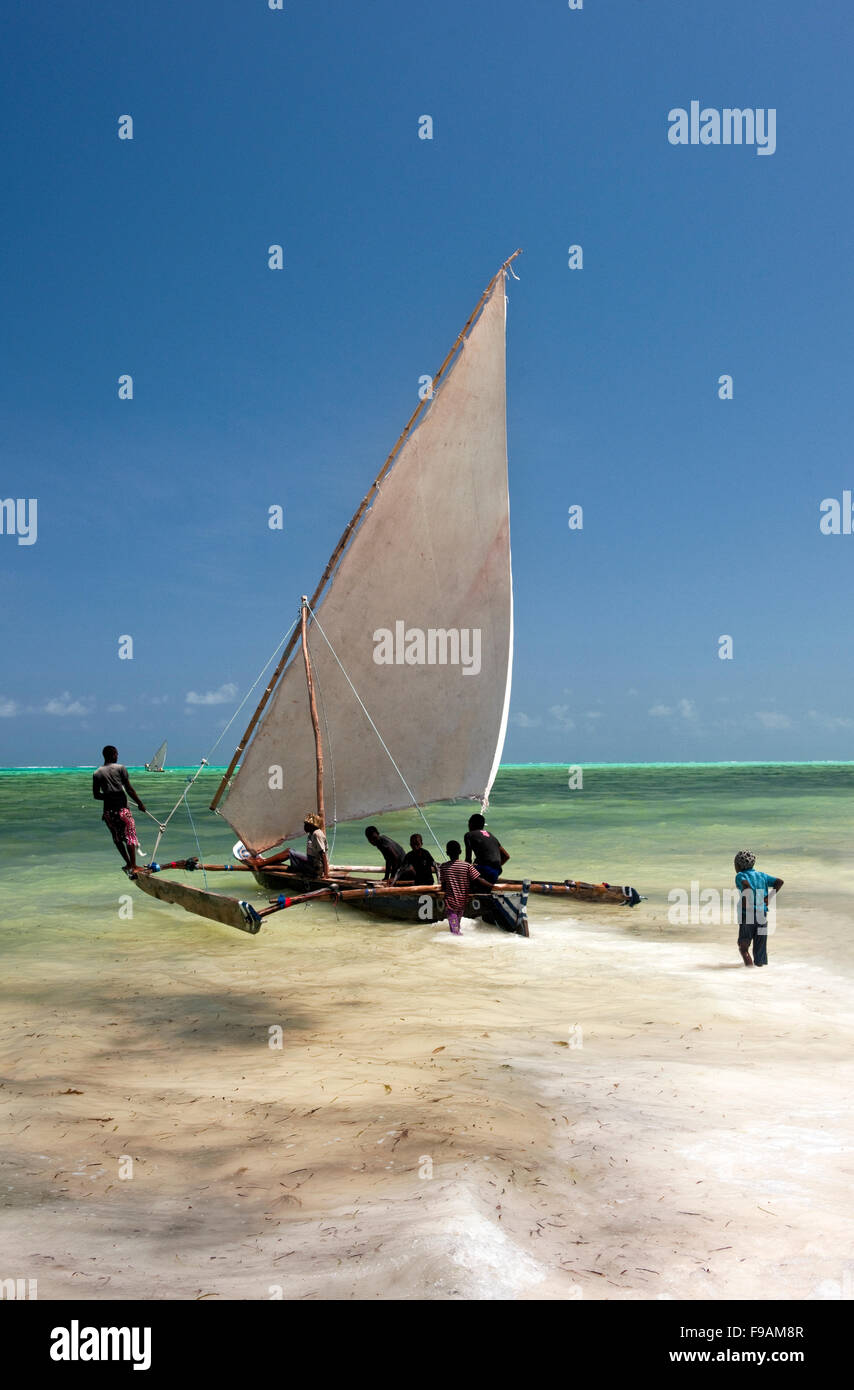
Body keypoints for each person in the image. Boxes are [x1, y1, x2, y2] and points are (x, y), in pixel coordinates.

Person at [93, 745, 146, 876]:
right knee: (130, 836)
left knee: (117, 838)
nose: (118, 756)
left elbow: (96, 795)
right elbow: (129, 789)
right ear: (112, 754)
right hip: (122, 809)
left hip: (108, 812)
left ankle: (128, 863)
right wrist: (140, 803)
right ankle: (134, 866)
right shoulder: (120, 768)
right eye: (116, 754)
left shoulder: (97, 773)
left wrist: (109, 796)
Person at [734, 849, 784, 968]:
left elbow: (746, 885)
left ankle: (749, 973)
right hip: (762, 915)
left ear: (738, 865)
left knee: (743, 947)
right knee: (760, 951)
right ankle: (759, 976)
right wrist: (768, 898)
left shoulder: (740, 875)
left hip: (748, 915)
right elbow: (779, 882)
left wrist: (747, 899)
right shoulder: (762, 876)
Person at [439, 840, 492, 936]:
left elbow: (443, 885)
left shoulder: (443, 867)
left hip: (450, 903)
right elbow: (478, 879)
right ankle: (459, 942)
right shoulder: (467, 866)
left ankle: (456, 943)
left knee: (454, 930)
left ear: (447, 853)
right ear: (460, 852)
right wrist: (491, 886)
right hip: (462, 902)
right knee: (457, 927)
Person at [251, 813, 329, 878]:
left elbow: (323, 854)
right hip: (311, 862)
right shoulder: (311, 834)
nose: (304, 826)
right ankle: (265, 862)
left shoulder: (317, 834)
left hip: (315, 868)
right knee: (291, 851)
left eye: (306, 824)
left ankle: (262, 863)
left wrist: (325, 874)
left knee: (289, 852)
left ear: (312, 826)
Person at [464, 813, 508, 885]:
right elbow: (506, 856)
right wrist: (494, 868)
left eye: (469, 823)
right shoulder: (490, 834)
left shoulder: (469, 835)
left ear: (471, 824)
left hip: (484, 871)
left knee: (468, 869)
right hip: (496, 872)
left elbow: (468, 860)